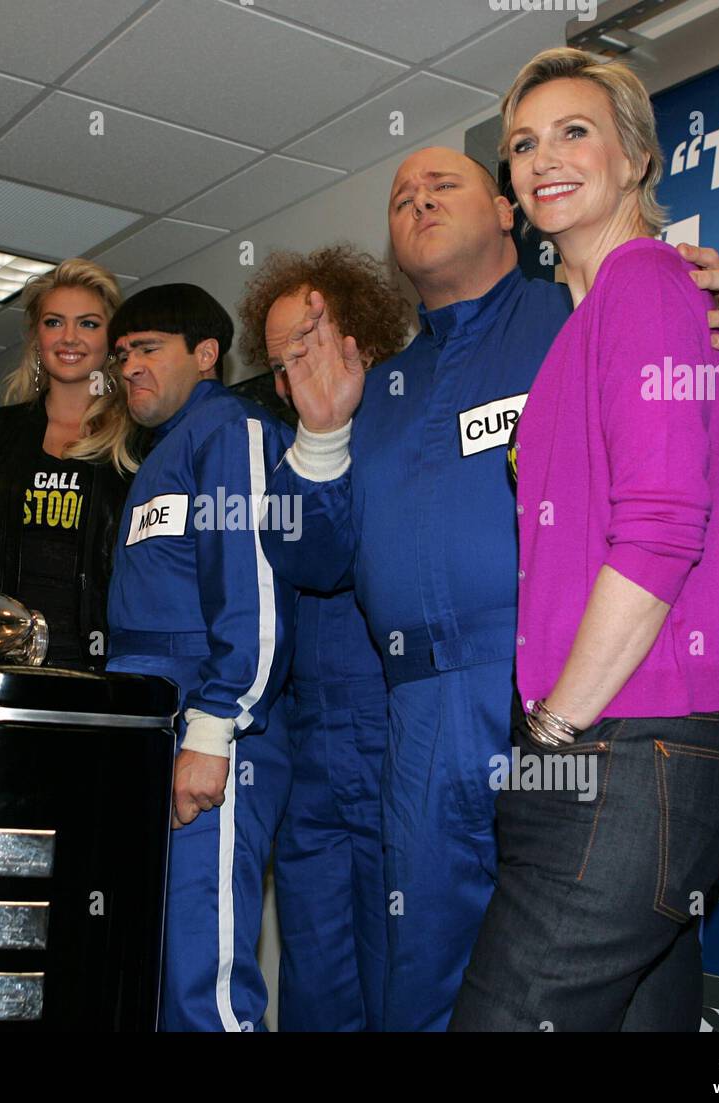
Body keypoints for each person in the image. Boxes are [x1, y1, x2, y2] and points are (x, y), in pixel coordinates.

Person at [264, 146, 719, 1030]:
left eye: (441, 184)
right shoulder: (384, 388)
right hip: (419, 719)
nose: (417, 202)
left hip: (577, 695)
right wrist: (326, 434)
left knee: (610, 968)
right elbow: (314, 563)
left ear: (506, 212)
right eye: (399, 197)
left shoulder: (589, 308)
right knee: (423, 976)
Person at [451, 47, 719, 1032]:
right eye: (521, 142)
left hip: (625, 744)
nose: (541, 156)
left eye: (573, 131)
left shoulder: (641, 286)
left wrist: (553, 729)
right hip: (653, 743)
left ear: (635, 157)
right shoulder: (606, 317)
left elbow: (664, 530)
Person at [104, 283, 295, 1032]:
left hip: (211, 732)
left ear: (206, 354)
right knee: (151, 961)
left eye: (147, 349)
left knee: (201, 974)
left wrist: (212, 732)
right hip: (153, 725)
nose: (129, 368)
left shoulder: (230, 432)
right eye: (121, 356)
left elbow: (254, 595)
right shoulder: (161, 459)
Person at [237, 245, 411, 1031]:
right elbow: (302, 556)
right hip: (313, 749)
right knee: (311, 978)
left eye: (308, 341)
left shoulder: (410, 430)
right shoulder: (293, 458)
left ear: (360, 337)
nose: (292, 369)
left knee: (403, 972)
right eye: (281, 360)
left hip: (395, 738)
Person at [0, 258, 140, 671]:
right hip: (1, 663)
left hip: (98, 666)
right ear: (36, 336)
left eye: (88, 324)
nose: (69, 337)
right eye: (54, 322)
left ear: (111, 338)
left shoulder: (138, 440)